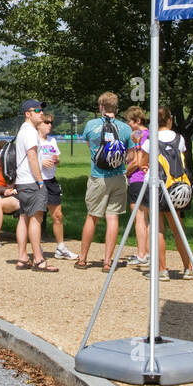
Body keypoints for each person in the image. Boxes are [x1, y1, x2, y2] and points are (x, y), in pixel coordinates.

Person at [76, 92, 132, 272]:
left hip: (98, 176)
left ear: (101, 106)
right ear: (116, 108)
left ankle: (83, 259)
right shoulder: (125, 128)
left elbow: (90, 148)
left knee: (92, 216)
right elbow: (129, 155)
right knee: (112, 217)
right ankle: (108, 262)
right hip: (119, 176)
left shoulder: (91, 125)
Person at [147, 107, 193, 280]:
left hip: (159, 187)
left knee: (159, 229)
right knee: (178, 229)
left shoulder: (151, 139)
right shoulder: (179, 138)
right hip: (177, 187)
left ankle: (162, 269)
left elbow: (144, 161)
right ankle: (188, 268)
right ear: (170, 120)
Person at [12, 100, 55, 271]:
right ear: (27, 114)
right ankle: (38, 258)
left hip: (22, 181)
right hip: (31, 181)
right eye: (36, 110)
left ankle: (22, 257)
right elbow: (32, 157)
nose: (41, 113)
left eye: (42, 110)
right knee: (36, 219)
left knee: (24, 217)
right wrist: (40, 181)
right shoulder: (30, 132)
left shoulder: (23, 131)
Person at [38, 112, 75, 260]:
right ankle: (36, 248)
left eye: (51, 123)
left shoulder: (52, 141)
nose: (49, 125)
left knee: (58, 215)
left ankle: (61, 247)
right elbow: (26, 160)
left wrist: (56, 160)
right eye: (46, 122)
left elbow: (57, 158)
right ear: (39, 124)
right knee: (37, 216)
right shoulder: (33, 140)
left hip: (51, 180)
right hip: (37, 181)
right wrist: (40, 162)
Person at [123, 107, 152, 268]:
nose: (128, 124)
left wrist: (124, 174)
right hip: (147, 180)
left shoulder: (139, 135)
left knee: (139, 218)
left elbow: (137, 161)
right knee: (146, 219)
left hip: (137, 179)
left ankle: (141, 254)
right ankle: (147, 253)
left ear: (138, 121)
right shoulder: (150, 134)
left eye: (130, 121)